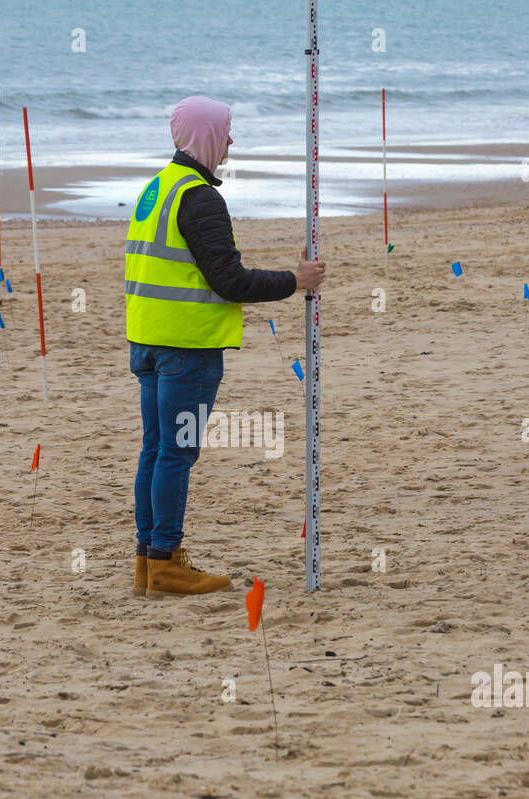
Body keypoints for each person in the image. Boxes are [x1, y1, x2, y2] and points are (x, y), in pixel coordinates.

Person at [126, 95, 325, 598]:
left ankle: (147, 563)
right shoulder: (198, 197)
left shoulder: (156, 189)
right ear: (206, 136)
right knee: (176, 453)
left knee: (157, 450)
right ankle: (166, 562)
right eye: (226, 131)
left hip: (148, 341)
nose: (231, 140)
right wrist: (294, 280)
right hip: (185, 347)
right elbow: (229, 280)